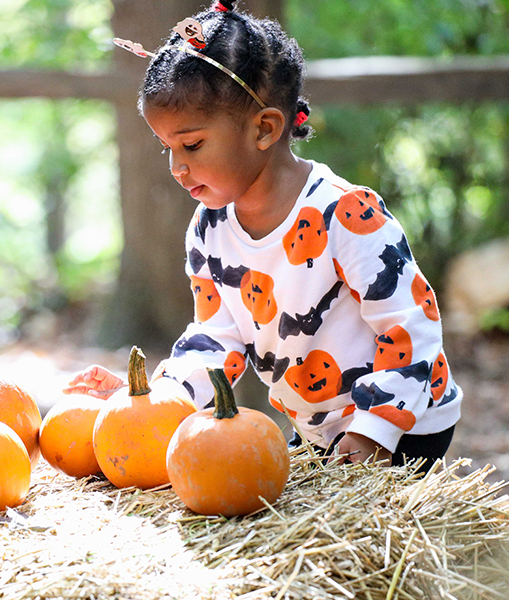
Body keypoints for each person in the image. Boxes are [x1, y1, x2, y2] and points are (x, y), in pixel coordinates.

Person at [65, 0, 460, 471]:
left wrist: (374, 430)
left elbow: (411, 327)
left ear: (265, 129)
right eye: (167, 146)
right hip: (318, 429)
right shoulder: (209, 229)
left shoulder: (345, 214)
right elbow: (216, 338)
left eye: (191, 144)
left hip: (405, 422)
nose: (176, 166)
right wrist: (156, 398)